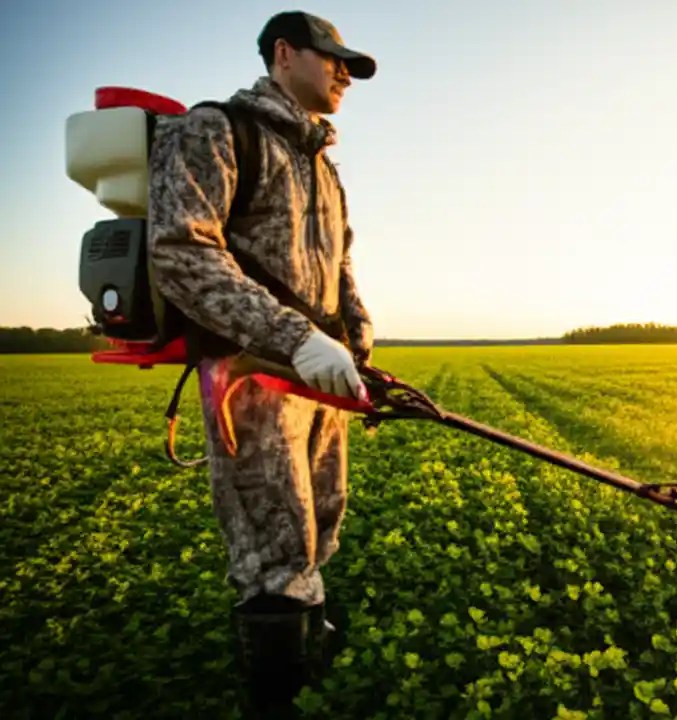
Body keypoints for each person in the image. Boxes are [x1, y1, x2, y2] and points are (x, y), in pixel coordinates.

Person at [146, 10, 377, 716]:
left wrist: (357, 339)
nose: (344, 72)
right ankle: (279, 694)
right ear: (284, 53)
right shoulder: (214, 130)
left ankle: (312, 654)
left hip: (322, 381)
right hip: (251, 376)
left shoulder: (325, 167)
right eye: (332, 57)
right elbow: (181, 251)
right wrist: (292, 337)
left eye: (349, 65)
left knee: (321, 525)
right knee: (275, 544)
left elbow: (340, 266)